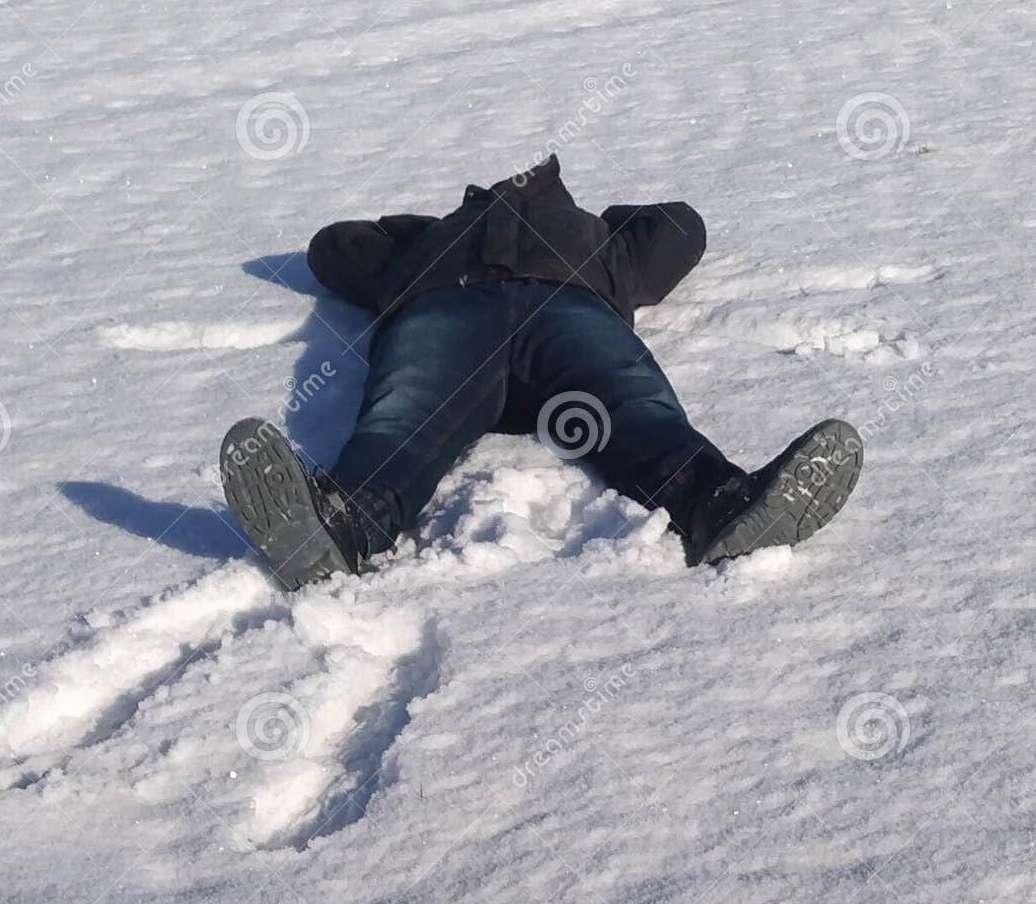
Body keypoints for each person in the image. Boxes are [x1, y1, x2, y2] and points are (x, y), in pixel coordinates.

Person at [220, 155, 862, 590]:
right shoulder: (436, 236)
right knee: (403, 417)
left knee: (635, 408)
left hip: (567, 313)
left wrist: (608, 227)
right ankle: (342, 524)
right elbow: (331, 249)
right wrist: (414, 238)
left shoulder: (594, 235)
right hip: (449, 313)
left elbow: (680, 226)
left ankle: (720, 506)